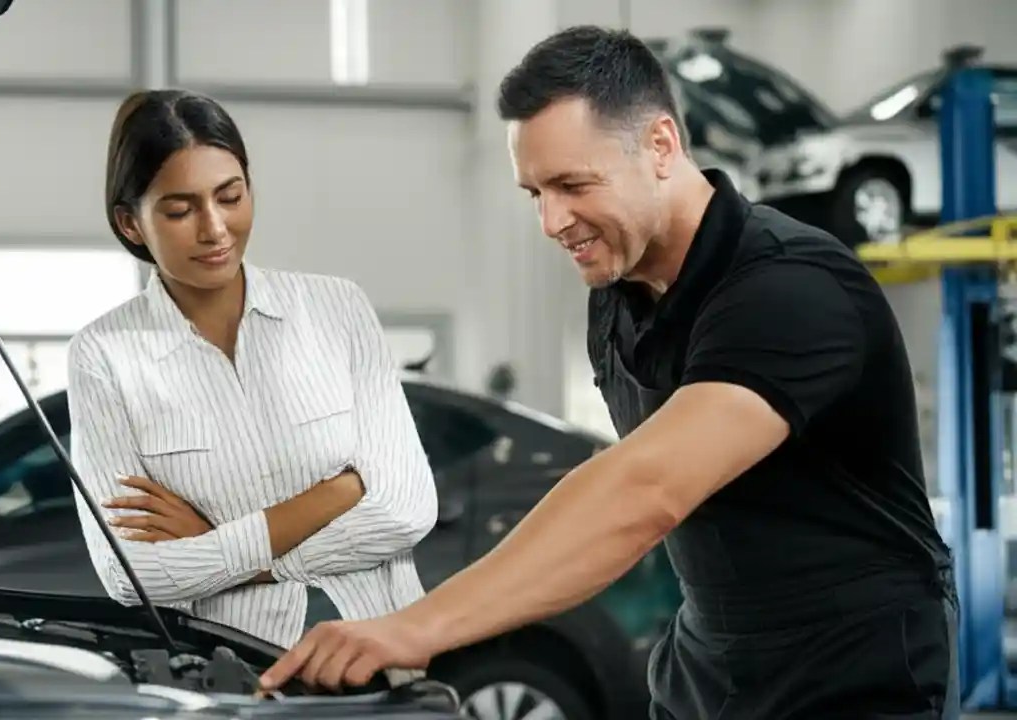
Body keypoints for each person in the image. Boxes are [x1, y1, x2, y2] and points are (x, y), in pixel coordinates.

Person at [259, 25, 961, 719]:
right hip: (711, 668)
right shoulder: (617, 299)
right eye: (535, 192)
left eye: (573, 184)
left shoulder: (791, 286)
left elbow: (646, 488)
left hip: (853, 674)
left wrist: (417, 627)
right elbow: (621, 487)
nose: (551, 221)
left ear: (661, 146)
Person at [67, 89, 438, 650]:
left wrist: (223, 547)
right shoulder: (103, 355)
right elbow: (130, 575)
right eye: (180, 210)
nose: (215, 228)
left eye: (230, 196)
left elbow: (406, 510)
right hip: (236, 672)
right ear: (130, 223)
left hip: (385, 654)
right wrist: (337, 493)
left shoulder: (337, 307)